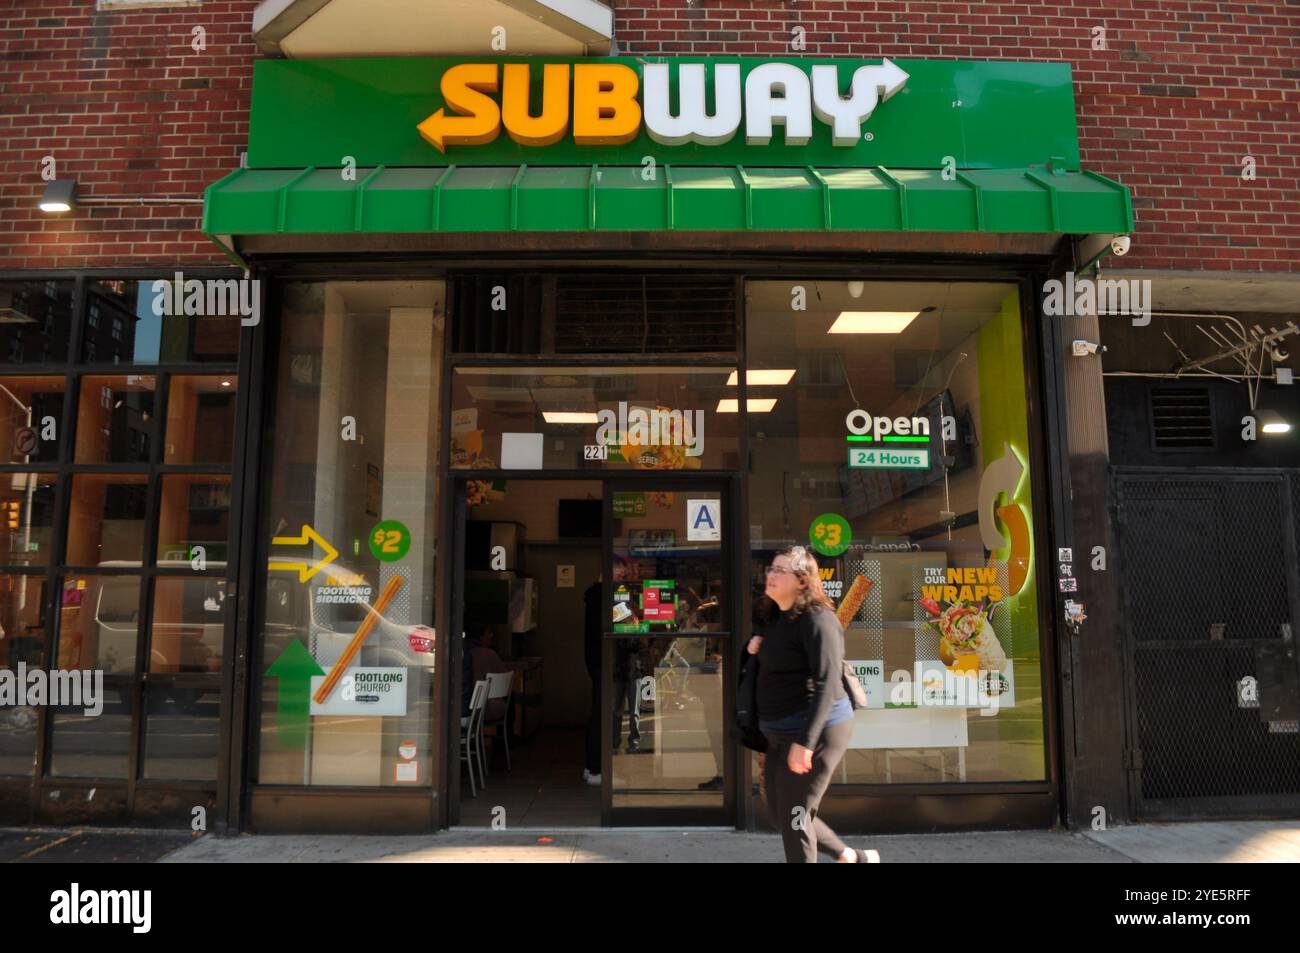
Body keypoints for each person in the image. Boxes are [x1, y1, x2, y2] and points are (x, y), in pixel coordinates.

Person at [751, 545, 879, 864]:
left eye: (780, 570)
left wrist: (805, 744)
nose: (771, 575)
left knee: (796, 818)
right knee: (780, 814)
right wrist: (754, 648)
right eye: (771, 569)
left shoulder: (820, 621)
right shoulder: (775, 616)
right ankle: (851, 856)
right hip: (780, 734)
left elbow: (827, 685)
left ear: (803, 581)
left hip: (818, 732)